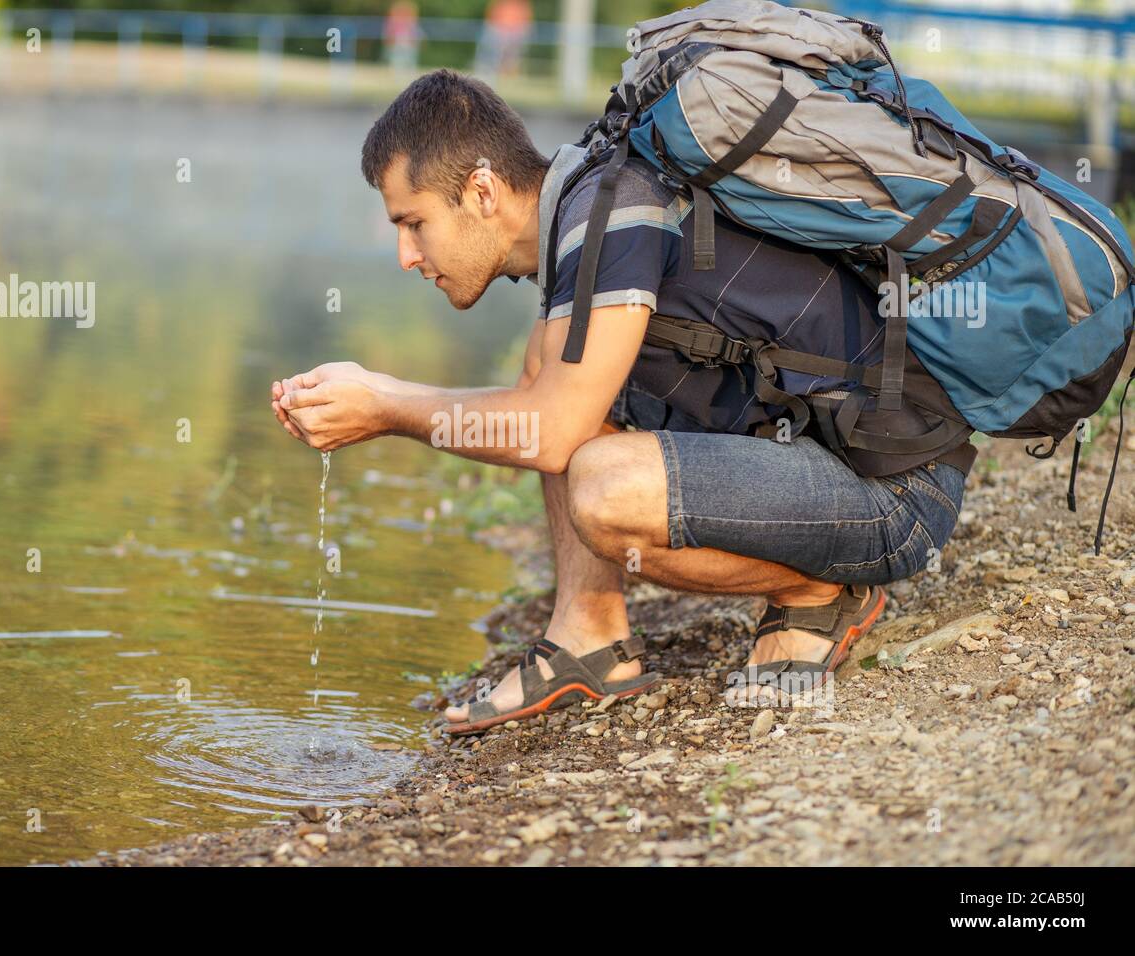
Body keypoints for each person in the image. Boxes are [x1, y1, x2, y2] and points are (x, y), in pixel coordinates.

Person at [271, 69, 970, 734]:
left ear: (482, 191)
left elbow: (550, 433)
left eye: (413, 222)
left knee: (604, 488)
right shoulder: (584, 204)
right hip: (818, 466)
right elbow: (536, 401)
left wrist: (390, 404)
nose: (405, 253)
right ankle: (589, 635)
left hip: (895, 492)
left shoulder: (615, 207)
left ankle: (822, 590)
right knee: (548, 373)